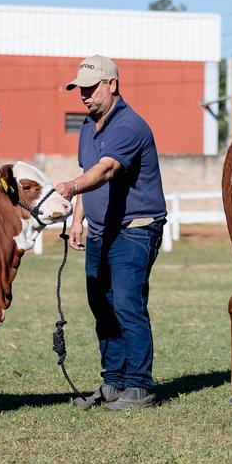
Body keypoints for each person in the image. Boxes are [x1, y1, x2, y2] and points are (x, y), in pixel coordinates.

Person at [56, 55, 166, 412]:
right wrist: (78, 220)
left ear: (112, 84)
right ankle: (114, 382)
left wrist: (71, 188)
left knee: (127, 305)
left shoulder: (129, 126)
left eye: (90, 88)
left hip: (135, 230)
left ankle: (139, 386)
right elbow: (90, 170)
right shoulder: (89, 125)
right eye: (80, 90)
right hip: (101, 230)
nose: (84, 96)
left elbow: (104, 172)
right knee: (101, 305)